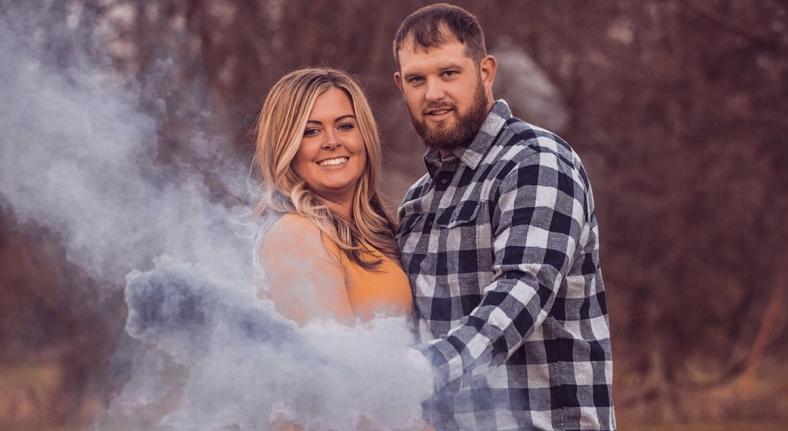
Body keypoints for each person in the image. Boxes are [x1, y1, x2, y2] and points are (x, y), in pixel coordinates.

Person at [392, 4, 615, 430]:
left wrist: (423, 369)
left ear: (486, 72)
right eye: (417, 79)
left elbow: (522, 292)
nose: (433, 93)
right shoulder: (417, 201)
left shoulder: (535, 162)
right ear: (401, 86)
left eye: (448, 73)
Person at [252, 68, 418, 429]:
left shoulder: (377, 231)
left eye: (344, 126)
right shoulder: (296, 235)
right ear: (285, 145)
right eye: (310, 131)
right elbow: (338, 389)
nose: (331, 141)